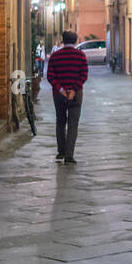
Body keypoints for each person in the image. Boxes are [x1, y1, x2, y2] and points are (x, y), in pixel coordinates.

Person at [45, 30, 89, 165]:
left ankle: (61, 151)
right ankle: (69, 155)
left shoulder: (55, 56)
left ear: (63, 41)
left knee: (60, 122)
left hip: (59, 95)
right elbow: (84, 75)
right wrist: (74, 89)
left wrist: (61, 89)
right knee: (73, 124)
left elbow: (50, 76)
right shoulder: (80, 55)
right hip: (75, 95)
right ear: (75, 41)